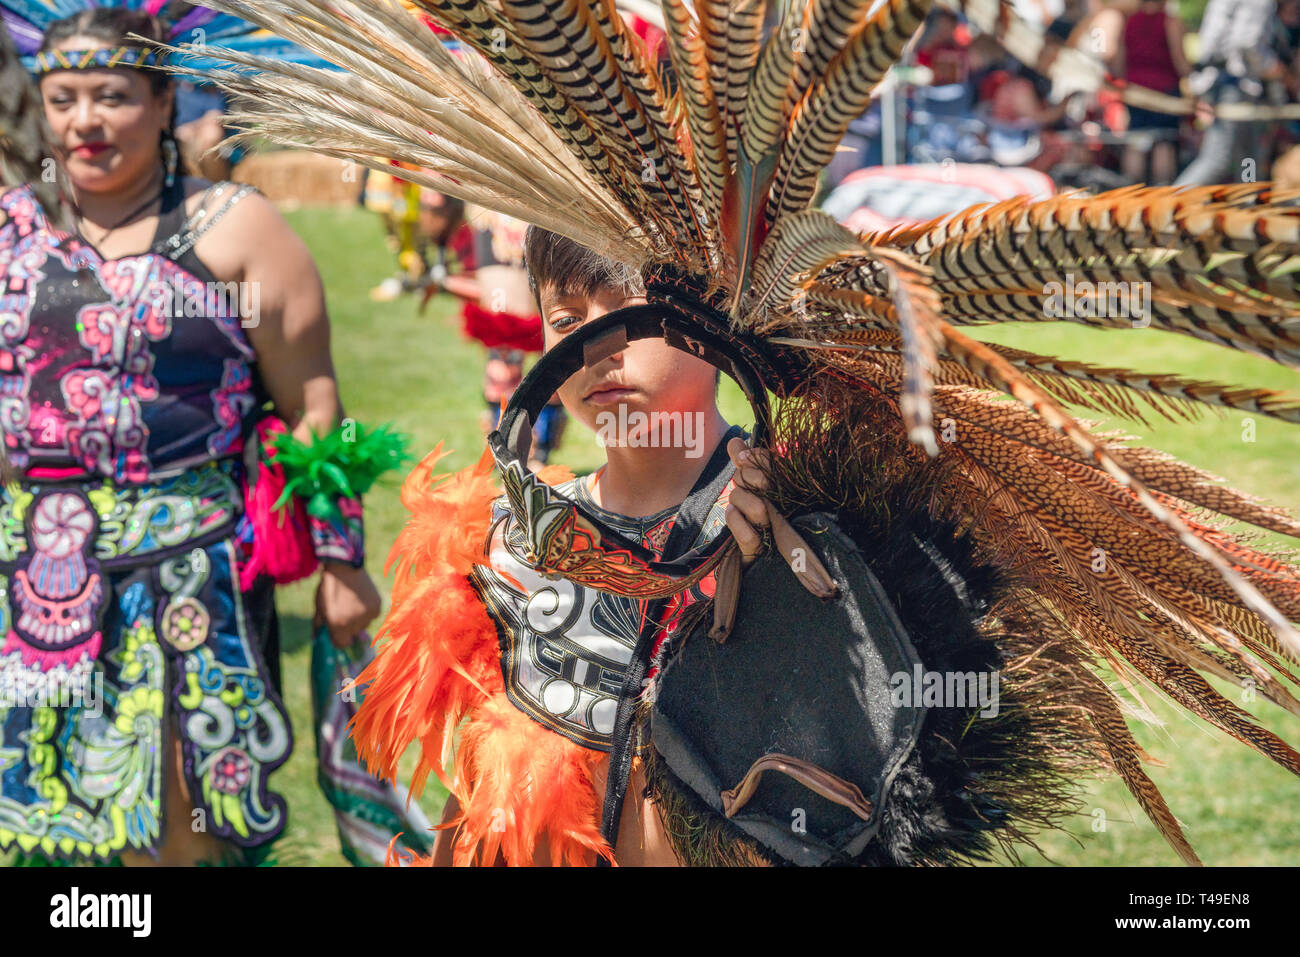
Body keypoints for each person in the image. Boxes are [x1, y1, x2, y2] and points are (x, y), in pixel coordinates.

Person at [232, 0, 1300, 868]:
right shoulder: (506, 536)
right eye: (563, 324)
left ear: (718, 321)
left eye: (622, 314)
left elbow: (926, 748)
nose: (594, 352)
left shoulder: (807, 533)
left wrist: (805, 558)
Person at [0, 7, 384, 865]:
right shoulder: (11, 231)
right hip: (40, 574)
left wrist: (341, 558)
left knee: (183, 817)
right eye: (62, 98)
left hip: (191, 575)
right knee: (57, 813)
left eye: (112, 94)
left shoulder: (236, 228)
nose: (84, 121)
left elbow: (314, 405)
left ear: (166, 100)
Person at [1175, 0, 1282, 185]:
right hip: (1235, 85)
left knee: (1248, 159)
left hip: (1223, 82)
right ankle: (1170, 204)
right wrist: (1275, 69)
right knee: (1218, 159)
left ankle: (1247, 205)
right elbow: (1248, 44)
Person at [1115, 0, 1190, 184]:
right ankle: (1162, 193)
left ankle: (1131, 194)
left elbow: (1119, 62)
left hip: (1135, 91)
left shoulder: (1129, 22)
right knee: (1163, 143)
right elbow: (1180, 61)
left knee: (1136, 141)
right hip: (1164, 93)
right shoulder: (1170, 22)